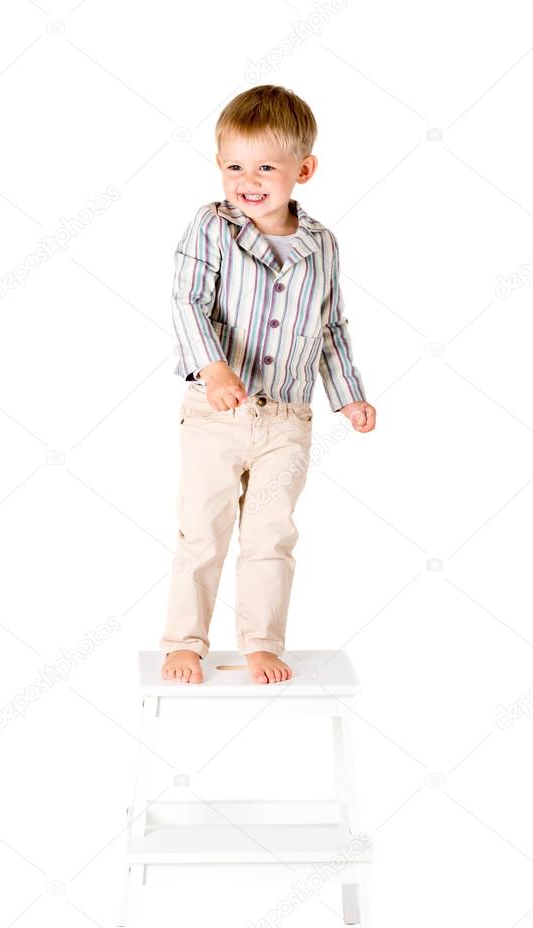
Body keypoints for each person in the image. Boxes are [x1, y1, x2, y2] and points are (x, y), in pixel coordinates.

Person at [160, 84, 376, 685]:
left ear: (302, 170)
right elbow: (188, 301)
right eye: (234, 165)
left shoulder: (321, 246)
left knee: (270, 536)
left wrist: (349, 395)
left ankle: (260, 642)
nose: (247, 180)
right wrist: (216, 368)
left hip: (288, 419)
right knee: (202, 531)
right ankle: (184, 641)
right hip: (215, 412)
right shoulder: (212, 227)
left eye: (265, 167)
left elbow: (330, 326)